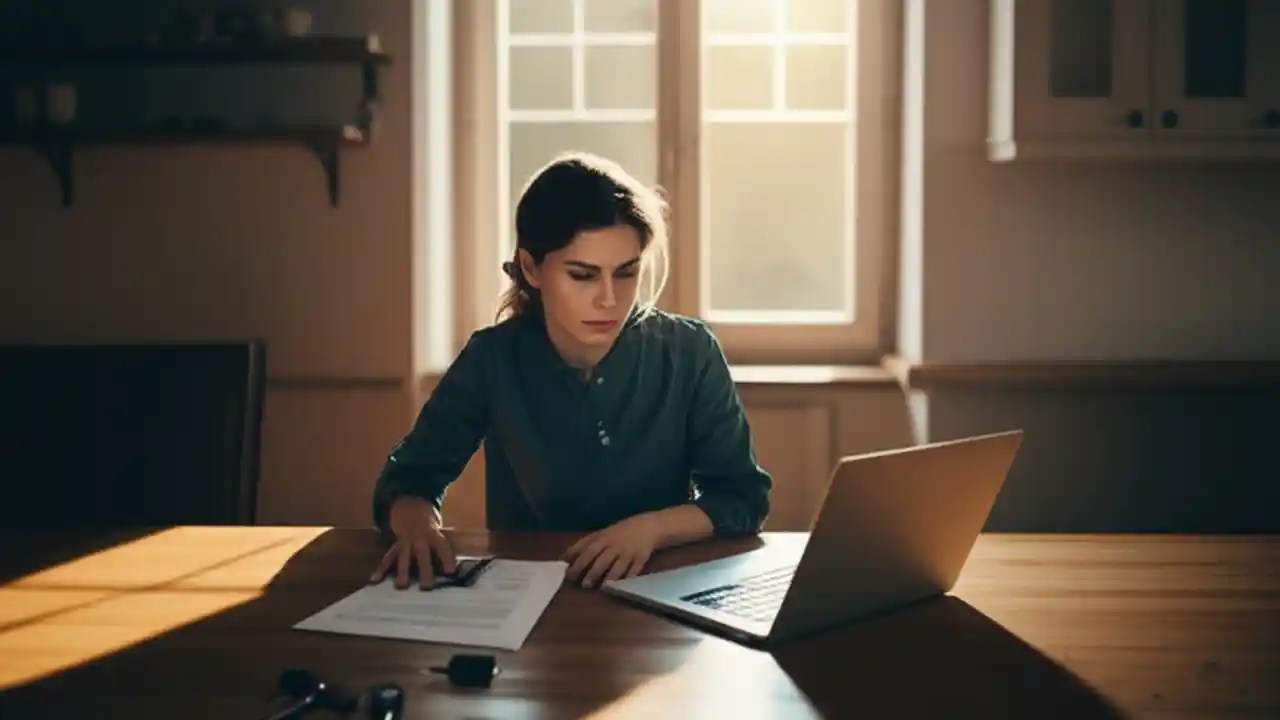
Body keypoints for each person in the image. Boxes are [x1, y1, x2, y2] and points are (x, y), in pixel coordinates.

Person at [369, 151, 771, 591]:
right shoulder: (494, 357)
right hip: (526, 598)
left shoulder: (690, 352)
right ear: (531, 268)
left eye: (626, 273)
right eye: (582, 275)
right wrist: (419, 528)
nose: (609, 299)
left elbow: (742, 497)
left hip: (660, 594)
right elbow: (409, 478)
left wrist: (650, 530)